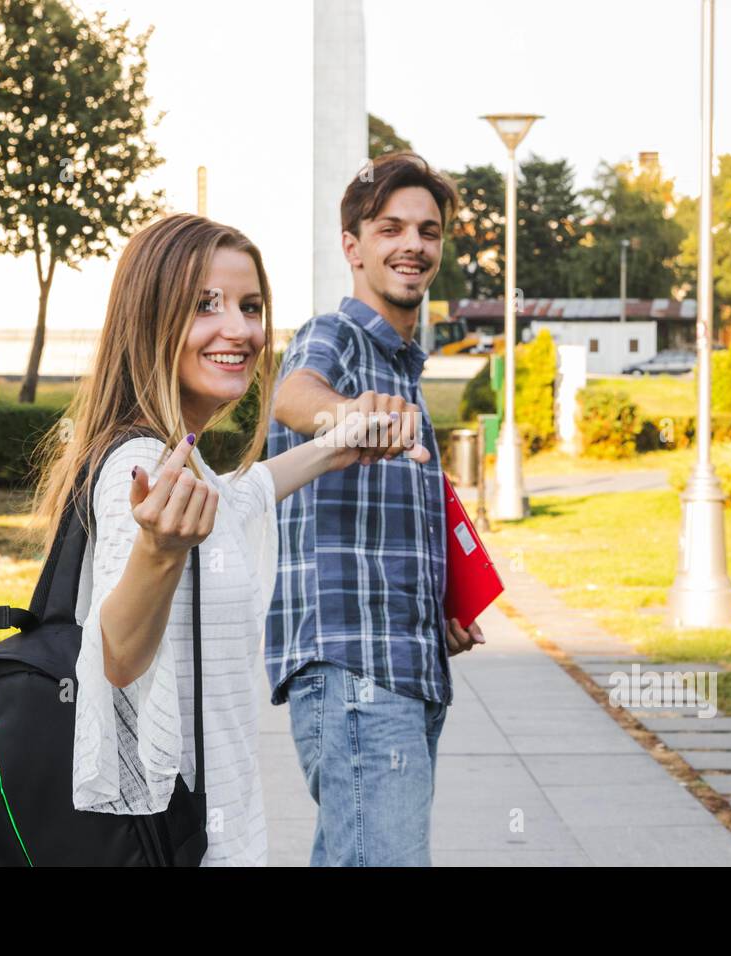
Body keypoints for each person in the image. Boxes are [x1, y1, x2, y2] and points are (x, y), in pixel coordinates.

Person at [29, 213, 427, 866]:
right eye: (204, 306)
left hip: (209, 829)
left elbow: (245, 495)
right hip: (178, 843)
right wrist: (157, 554)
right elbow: (115, 661)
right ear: (149, 317)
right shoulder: (141, 468)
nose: (239, 330)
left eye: (251, 306)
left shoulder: (180, 460)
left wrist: (336, 445)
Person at [267, 151, 486, 867]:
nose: (413, 245)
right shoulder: (336, 336)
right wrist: (347, 414)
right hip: (356, 667)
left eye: (428, 230)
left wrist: (438, 611)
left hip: (407, 665)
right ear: (353, 247)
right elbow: (295, 395)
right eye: (390, 228)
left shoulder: (405, 370)